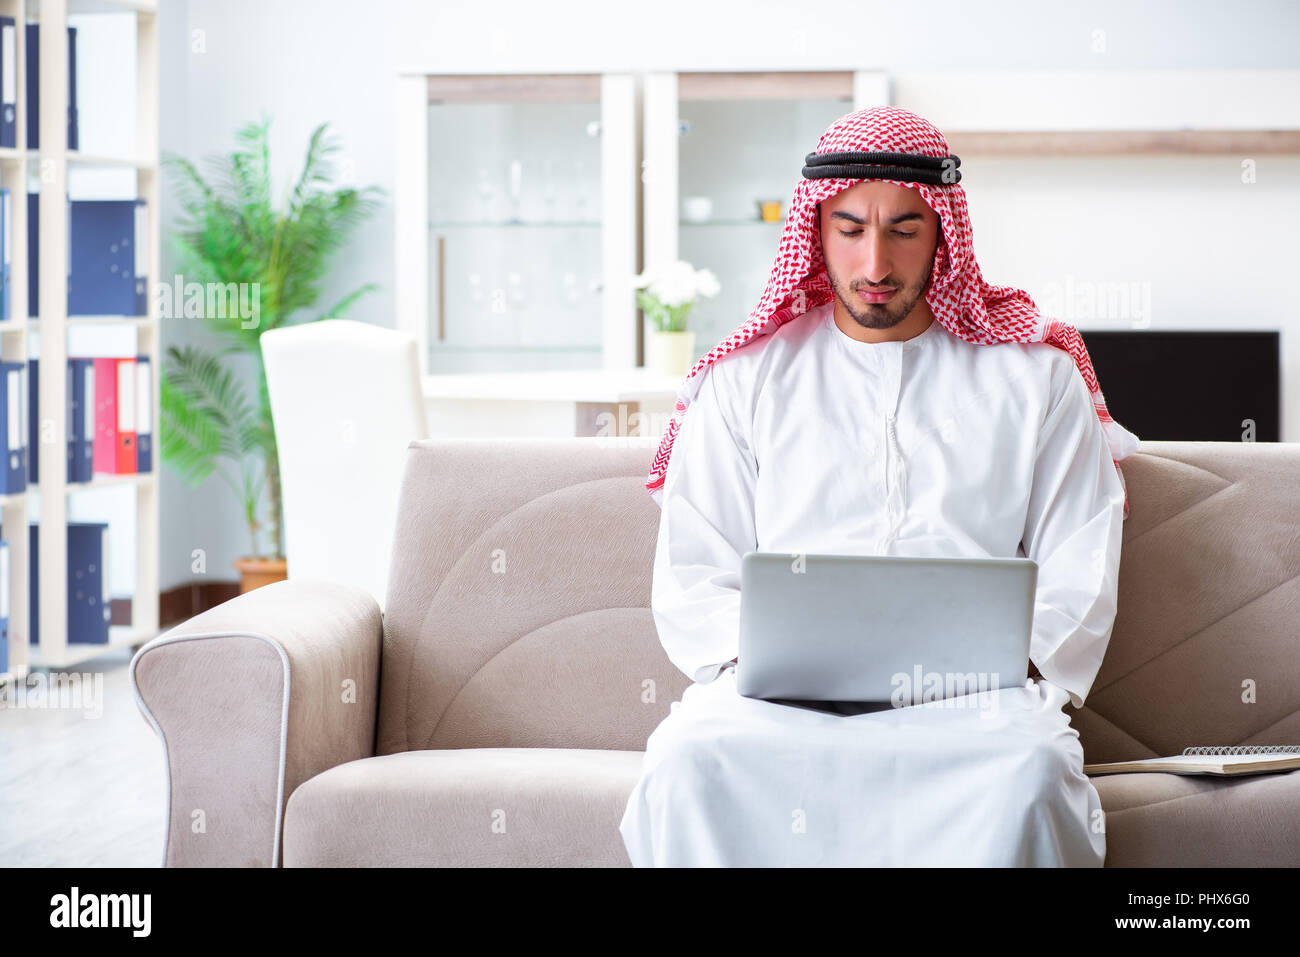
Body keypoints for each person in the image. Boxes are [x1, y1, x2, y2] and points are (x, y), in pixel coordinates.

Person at [618, 106, 1139, 867]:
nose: (875, 264)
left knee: (1030, 775)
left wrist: (1009, 659)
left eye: (903, 229)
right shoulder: (742, 382)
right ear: (815, 229)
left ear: (943, 233)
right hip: (778, 706)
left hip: (973, 704)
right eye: (850, 227)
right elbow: (697, 572)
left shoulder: (1037, 379)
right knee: (685, 763)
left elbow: (1079, 559)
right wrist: (771, 658)